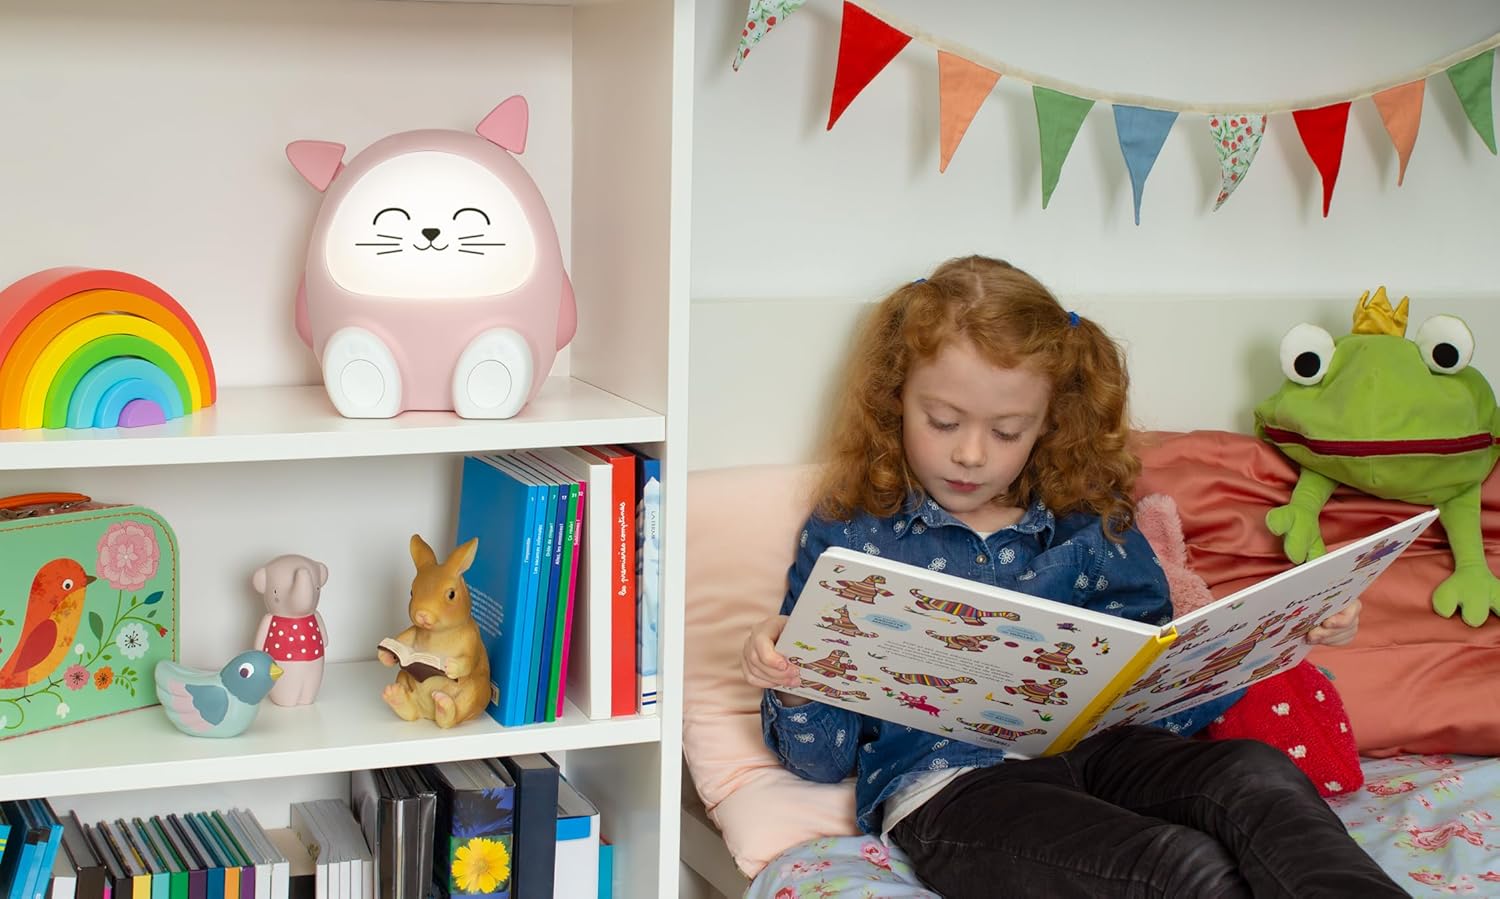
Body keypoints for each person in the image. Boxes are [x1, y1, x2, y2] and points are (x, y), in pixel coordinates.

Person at [740, 255, 1404, 898]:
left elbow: (1158, 676)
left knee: (1257, 775)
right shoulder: (854, 533)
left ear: (1047, 423)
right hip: (954, 788)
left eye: (1006, 430)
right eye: (942, 422)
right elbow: (821, 761)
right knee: (1178, 864)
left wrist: (1281, 634)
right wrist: (791, 685)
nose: (970, 452)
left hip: (1109, 753)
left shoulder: (1086, 521)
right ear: (895, 402)